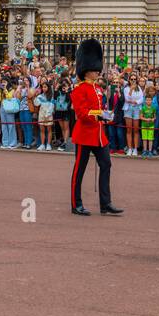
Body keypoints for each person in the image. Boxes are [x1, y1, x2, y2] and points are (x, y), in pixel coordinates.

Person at [69, 38, 122, 216]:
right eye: (94, 69)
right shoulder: (78, 90)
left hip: (99, 135)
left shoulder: (98, 89)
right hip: (85, 135)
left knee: (106, 165)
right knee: (79, 170)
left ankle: (105, 203)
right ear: (86, 71)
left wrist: (105, 115)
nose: (97, 71)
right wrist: (99, 115)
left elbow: (98, 110)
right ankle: (76, 204)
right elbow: (82, 113)